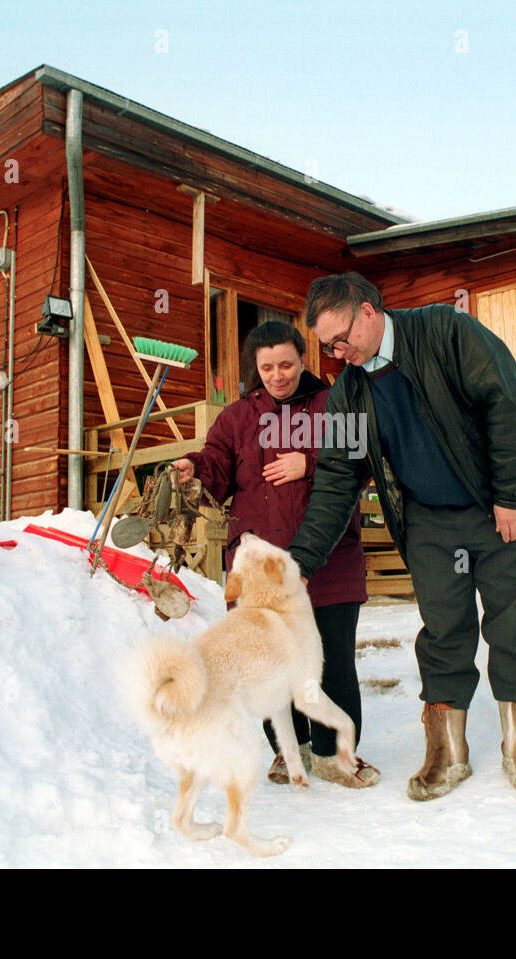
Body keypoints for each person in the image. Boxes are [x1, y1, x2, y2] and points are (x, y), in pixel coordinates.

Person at [286, 273, 516, 801]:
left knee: (512, 623)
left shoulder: (445, 332)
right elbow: (338, 478)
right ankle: (446, 751)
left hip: (495, 507)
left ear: (368, 311)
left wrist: (512, 495)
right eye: (327, 346)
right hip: (430, 521)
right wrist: (301, 559)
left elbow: (507, 404)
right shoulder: (349, 391)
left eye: (342, 338)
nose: (339, 353)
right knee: (443, 630)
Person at [171, 320, 379, 788]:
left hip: (327, 560)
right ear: (256, 368)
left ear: (304, 360)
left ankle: (335, 753)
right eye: (267, 367)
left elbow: (362, 461)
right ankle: (291, 752)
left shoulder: (333, 404)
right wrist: (194, 470)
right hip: (259, 569)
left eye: (286, 364)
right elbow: (217, 465)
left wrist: (310, 463)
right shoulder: (236, 418)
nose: (278, 375)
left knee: (331, 659)